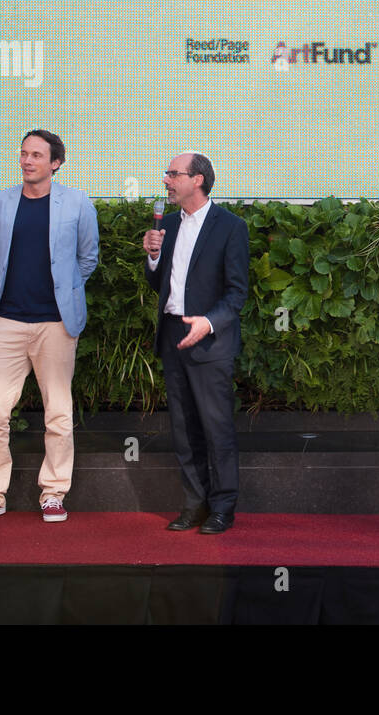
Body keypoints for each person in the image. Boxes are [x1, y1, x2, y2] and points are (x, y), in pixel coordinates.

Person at [0, 130, 99, 524]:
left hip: (56, 323)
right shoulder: (1, 202)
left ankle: (54, 493)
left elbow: (86, 259)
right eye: (23, 153)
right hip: (7, 320)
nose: (27, 161)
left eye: (36, 155)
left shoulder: (76, 202)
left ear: (55, 162)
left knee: (58, 413)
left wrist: (66, 293)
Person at [143, 152, 249, 534]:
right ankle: (195, 505)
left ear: (198, 180)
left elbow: (237, 293)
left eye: (174, 174)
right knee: (184, 428)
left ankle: (223, 508)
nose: (166, 180)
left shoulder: (230, 227)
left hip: (209, 340)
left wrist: (207, 322)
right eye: (166, 173)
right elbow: (159, 284)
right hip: (172, 334)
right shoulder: (167, 224)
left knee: (216, 428)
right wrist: (153, 256)